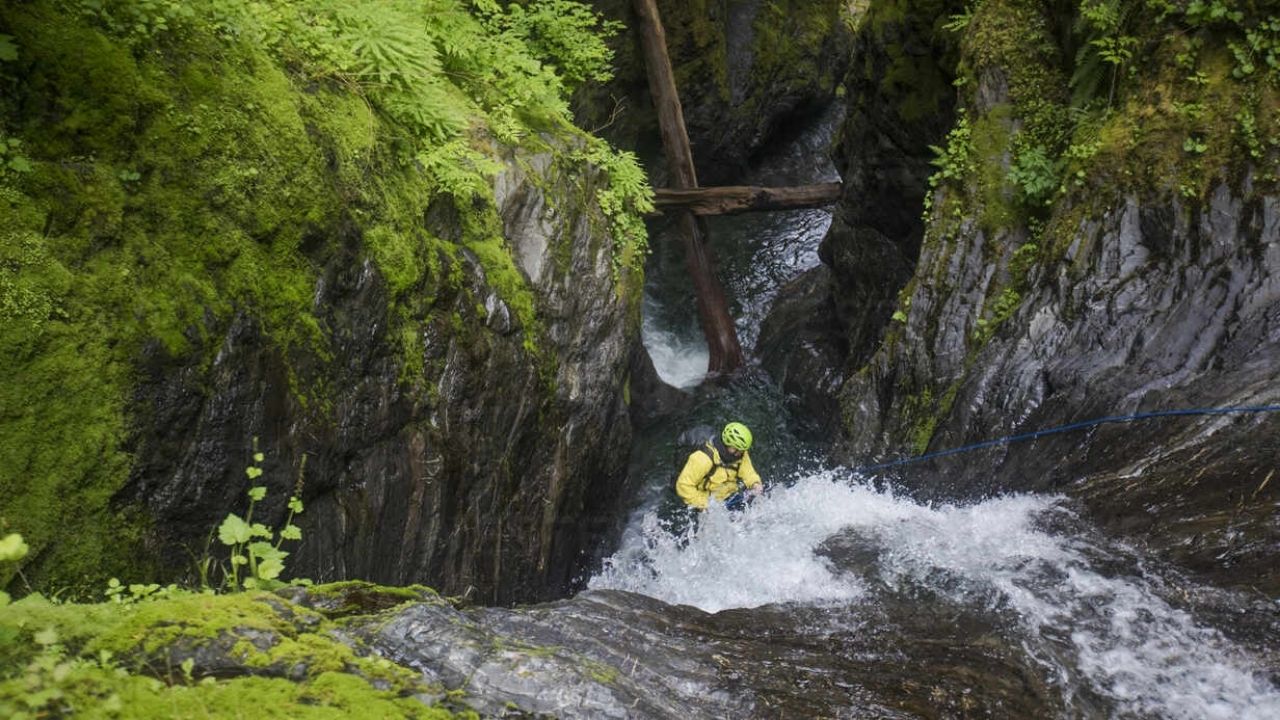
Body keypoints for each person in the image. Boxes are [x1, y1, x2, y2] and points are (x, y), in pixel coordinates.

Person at [674, 422, 763, 511]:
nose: (739, 453)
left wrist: (755, 483)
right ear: (727, 443)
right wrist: (703, 504)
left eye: (742, 450)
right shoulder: (702, 459)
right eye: (736, 449)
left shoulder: (740, 454)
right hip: (706, 502)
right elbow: (683, 485)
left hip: (729, 497)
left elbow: (748, 472)